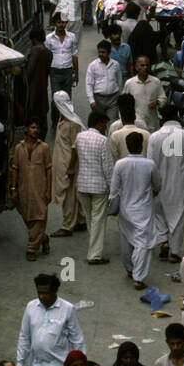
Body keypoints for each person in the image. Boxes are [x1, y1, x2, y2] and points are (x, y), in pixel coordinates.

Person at [109, 133, 161, 288]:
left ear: (127, 145)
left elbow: (114, 190)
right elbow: (157, 185)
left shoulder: (120, 164)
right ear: (141, 146)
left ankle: (130, 269)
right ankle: (138, 277)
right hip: (144, 210)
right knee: (142, 243)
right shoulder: (149, 164)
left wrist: (114, 207)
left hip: (125, 209)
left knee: (126, 239)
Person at [70, 110, 113, 265]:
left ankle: (93, 249)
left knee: (91, 219)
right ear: (99, 123)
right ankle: (94, 255)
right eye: (105, 124)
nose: (106, 127)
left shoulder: (80, 137)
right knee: (98, 221)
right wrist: (113, 188)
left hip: (82, 184)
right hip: (99, 187)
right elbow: (108, 168)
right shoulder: (102, 140)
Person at [149, 105, 184, 262]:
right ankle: (175, 251)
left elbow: (150, 163)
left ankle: (163, 242)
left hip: (159, 183)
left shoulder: (154, 137)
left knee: (159, 214)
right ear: (177, 116)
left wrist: (151, 185)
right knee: (178, 215)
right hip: (180, 182)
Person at [11, 117, 52, 261]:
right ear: (26, 129)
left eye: (37, 128)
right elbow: (15, 169)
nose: (35, 131)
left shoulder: (44, 148)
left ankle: (31, 249)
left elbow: (49, 170)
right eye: (32, 128)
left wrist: (48, 190)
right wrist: (13, 188)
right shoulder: (18, 148)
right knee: (28, 218)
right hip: (23, 190)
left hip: (40, 189)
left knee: (40, 217)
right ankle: (43, 238)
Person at [49, 91, 86, 238]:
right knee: (73, 193)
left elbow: (75, 146)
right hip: (63, 162)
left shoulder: (73, 123)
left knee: (69, 195)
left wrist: (70, 167)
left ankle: (67, 225)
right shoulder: (62, 119)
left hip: (69, 164)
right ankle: (81, 220)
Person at [125, 56, 166, 133]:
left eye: (147, 65)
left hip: (152, 122)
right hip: (136, 123)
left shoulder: (156, 81)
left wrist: (157, 102)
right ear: (136, 67)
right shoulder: (130, 83)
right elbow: (123, 103)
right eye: (142, 65)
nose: (145, 67)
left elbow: (163, 98)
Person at [45, 17, 78, 99]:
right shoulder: (49, 38)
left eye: (63, 22)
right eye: (59, 22)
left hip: (68, 71)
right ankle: (56, 112)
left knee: (67, 97)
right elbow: (47, 57)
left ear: (66, 23)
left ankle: (65, 112)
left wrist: (76, 74)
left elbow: (74, 56)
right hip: (54, 71)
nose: (61, 25)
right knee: (56, 97)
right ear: (55, 23)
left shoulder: (72, 37)